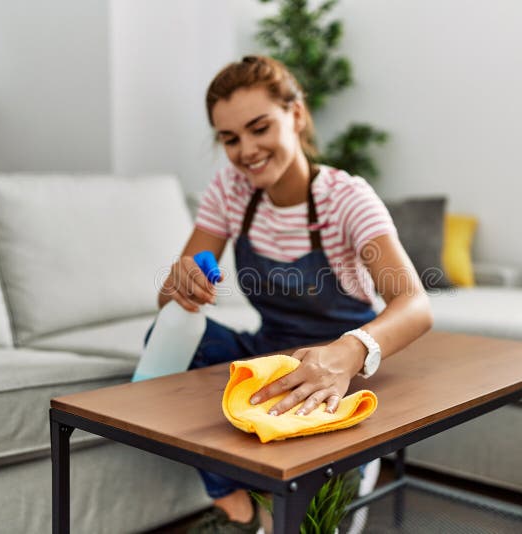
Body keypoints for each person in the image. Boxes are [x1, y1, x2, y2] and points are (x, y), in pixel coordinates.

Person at [156, 55, 432, 533]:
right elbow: (169, 308)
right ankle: (237, 509)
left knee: (316, 520)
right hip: (272, 352)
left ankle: (345, 457)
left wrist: (348, 352)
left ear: (297, 115)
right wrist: (179, 284)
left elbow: (416, 305)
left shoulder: (346, 198)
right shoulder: (230, 192)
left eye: (259, 127)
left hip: (346, 365)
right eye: (230, 138)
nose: (246, 150)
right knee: (179, 345)